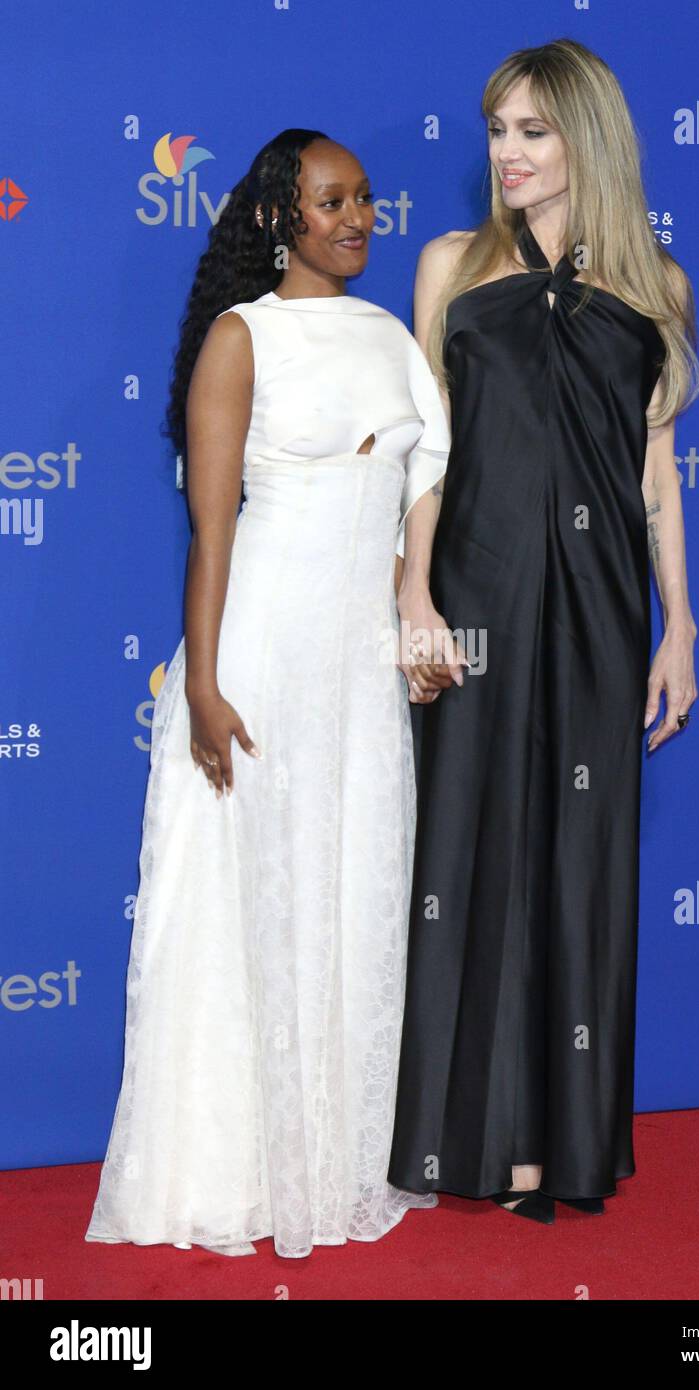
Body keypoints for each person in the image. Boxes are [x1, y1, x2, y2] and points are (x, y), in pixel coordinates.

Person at [84, 129, 449, 1258]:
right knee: (249, 905)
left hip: (355, 669)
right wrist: (200, 680)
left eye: (365, 201)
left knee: (350, 888)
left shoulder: (391, 337)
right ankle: (235, 1166)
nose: (354, 219)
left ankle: (337, 1156)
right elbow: (209, 535)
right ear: (274, 218)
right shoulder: (240, 340)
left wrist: (413, 614)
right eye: (329, 201)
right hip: (260, 658)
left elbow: (420, 477)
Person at [387, 39, 699, 1223]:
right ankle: (466, 1140)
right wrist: (412, 597)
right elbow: (425, 448)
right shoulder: (447, 268)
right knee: (467, 858)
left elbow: (655, 468)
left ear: (587, 140)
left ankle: (560, 1147)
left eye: (532, 131)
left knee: (579, 866)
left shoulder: (652, 285)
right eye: (496, 131)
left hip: (601, 604)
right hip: (474, 594)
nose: (507, 154)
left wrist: (679, 626)